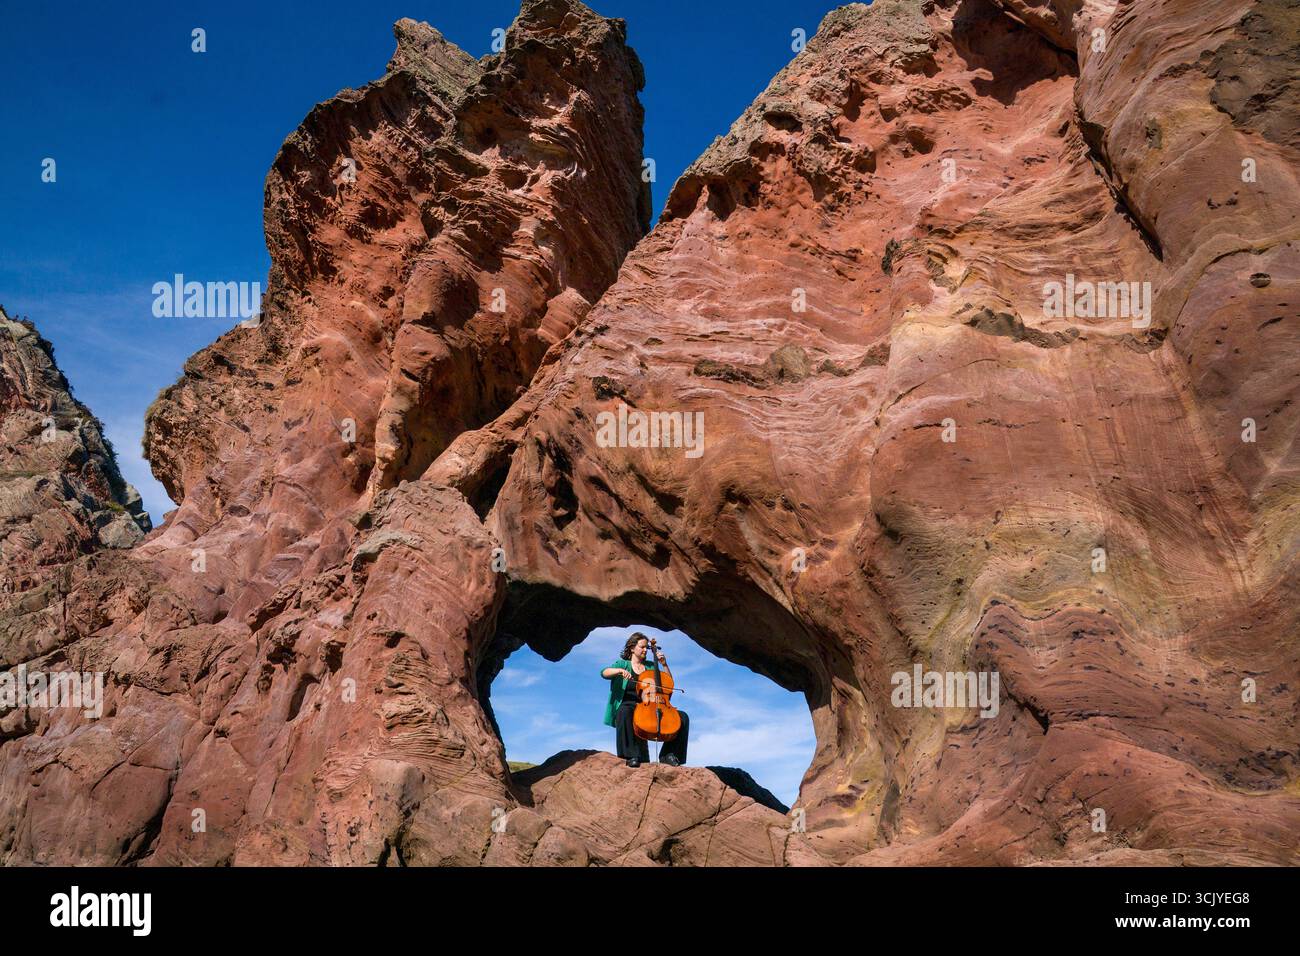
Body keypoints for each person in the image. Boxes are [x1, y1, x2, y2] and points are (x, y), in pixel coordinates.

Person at [601, 633, 689, 768]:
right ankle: (630, 756)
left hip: (650, 705)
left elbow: (667, 684)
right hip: (629, 705)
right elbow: (604, 672)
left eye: (646, 648)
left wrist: (664, 665)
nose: (645, 650)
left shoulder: (650, 666)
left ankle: (669, 755)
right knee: (624, 711)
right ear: (632, 648)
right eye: (642, 647)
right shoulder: (623, 664)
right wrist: (619, 671)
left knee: (682, 717)